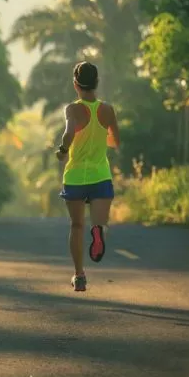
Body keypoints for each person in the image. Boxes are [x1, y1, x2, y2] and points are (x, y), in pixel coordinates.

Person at [56, 61, 121, 292]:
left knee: (76, 226)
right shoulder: (107, 110)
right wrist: (99, 136)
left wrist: (63, 152)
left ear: (76, 84)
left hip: (75, 178)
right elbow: (115, 141)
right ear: (96, 83)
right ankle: (99, 232)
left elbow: (68, 133)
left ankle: (79, 275)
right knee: (100, 223)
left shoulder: (73, 109)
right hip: (100, 177)